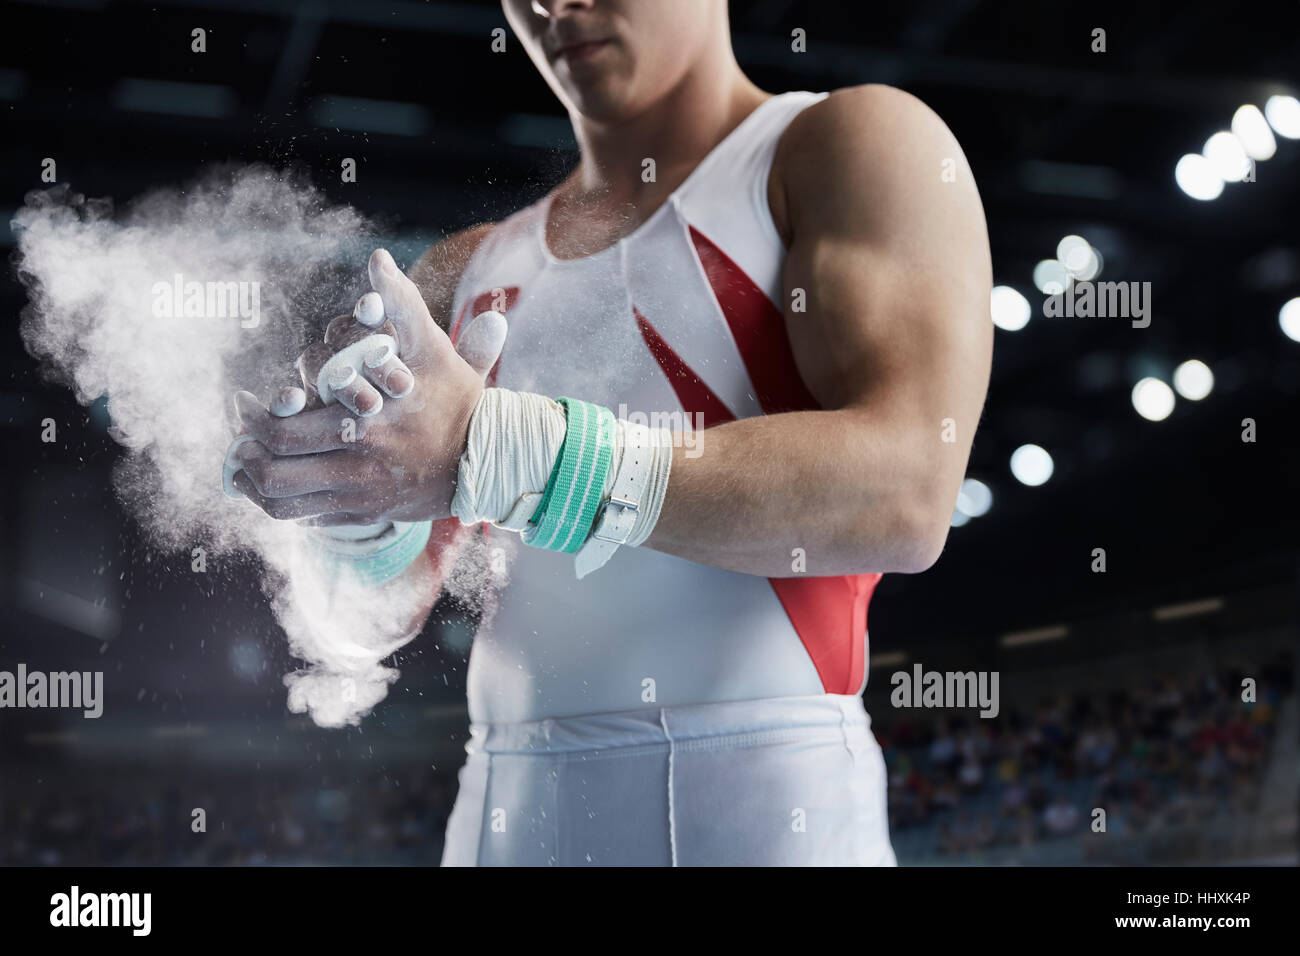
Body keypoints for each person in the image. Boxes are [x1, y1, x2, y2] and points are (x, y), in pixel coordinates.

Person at [227, 0, 992, 865]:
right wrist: (350, 511)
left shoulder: (843, 144)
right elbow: (358, 630)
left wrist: (503, 448)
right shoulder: (464, 267)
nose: (554, 6)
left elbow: (908, 490)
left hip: (758, 808)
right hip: (502, 812)